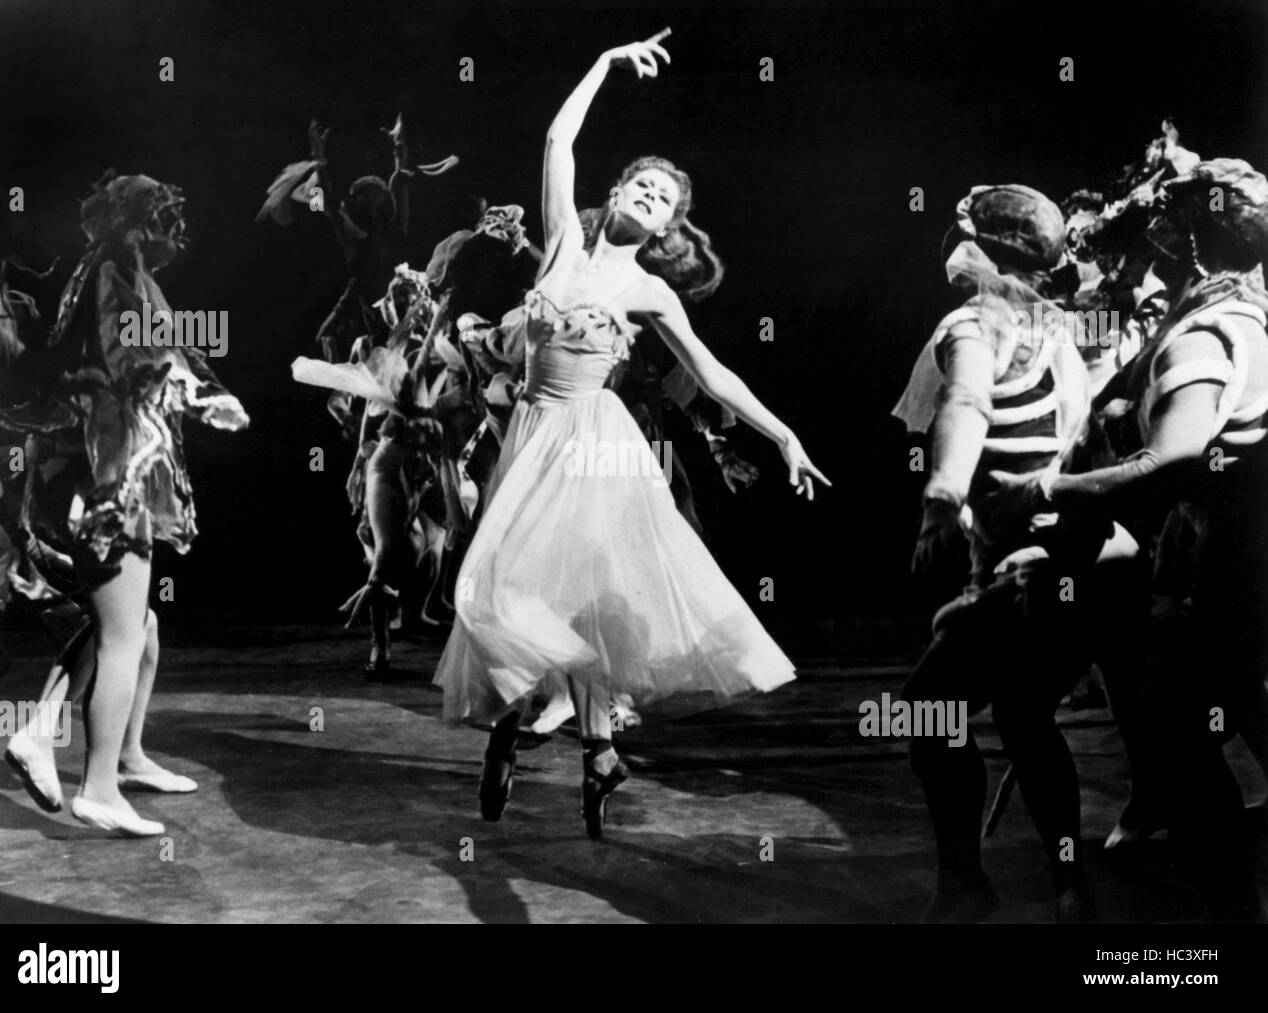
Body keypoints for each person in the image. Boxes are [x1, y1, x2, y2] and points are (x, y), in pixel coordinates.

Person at [432, 31, 829, 839]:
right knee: (493, 593)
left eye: (661, 199)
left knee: (572, 597)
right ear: (614, 193)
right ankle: (564, 742)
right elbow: (557, 138)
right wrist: (606, 63)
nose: (647, 197)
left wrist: (783, 434)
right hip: (529, 436)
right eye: (639, 184)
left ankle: (585, 742)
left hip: (595, 443)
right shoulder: (562, 246)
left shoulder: (648, 289)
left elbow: (715, 375)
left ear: (664, 226)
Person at [995, 158, 1268, 922]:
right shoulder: (1232, 314)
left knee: (1183, 743)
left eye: (1160, 231)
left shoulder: (1208, 335)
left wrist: (1046, 491)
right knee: (1204, 720)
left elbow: (1172, 460)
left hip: (1222, 566)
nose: (1146, 244)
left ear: (1187, 243)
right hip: (1211, 557)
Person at [894, 183, 1115, 922]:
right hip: (1075, 560)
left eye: (963, 233)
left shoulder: (976, 323)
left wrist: (941, 497)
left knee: (926, 710)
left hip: (1029, 565)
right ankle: (1068, 884)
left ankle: (965, 884)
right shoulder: (1057, 323)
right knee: (1024, 713)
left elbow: (966, 403)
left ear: (986, 247)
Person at [6, 173, 249, 837]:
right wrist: (198, 398)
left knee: (140, 629)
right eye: (162, 224)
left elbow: (175, 346)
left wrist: (209, 390)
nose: (172, 237)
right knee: (120, 632)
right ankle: (98, 784)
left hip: (113, 455)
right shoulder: (115, 269)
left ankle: (120, 752)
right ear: (139, 223)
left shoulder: (123, 270)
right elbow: (127, 358)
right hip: (108, 464)